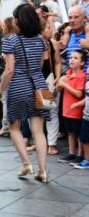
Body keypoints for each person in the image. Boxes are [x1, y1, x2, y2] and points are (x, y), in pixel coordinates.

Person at [0, 4, 50, 182]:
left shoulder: (10, 40)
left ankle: (26, 163)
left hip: (19, 84)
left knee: (14, 127)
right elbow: (41, 66)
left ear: (18, 21)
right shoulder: (41, 40)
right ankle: (43, 170)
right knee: (39, 131)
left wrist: (0, 88)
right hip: (41, 86)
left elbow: (10, 69)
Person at [55, 50, 87, 164]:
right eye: (71, 57)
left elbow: (79, 94)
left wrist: (65, 84)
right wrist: (60, 83)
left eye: (76, 58)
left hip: (76, 111)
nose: (72, 60)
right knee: (70, 132)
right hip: (66, 110)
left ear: (82, 63)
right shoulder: (67, 73)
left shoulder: (81, 76)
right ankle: (72, 153)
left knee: (78, 133)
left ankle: (80, 154)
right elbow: (59, 90)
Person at [40, 21, 61, 156]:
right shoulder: (35, 43)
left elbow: (58, 62)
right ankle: (40, 142)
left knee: (51, 112)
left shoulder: (53, 43)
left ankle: (51, 144)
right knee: (38, 114)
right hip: (38, 82)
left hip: (49, 81)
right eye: (48, 28)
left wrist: (58, 77)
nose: (51, 29)